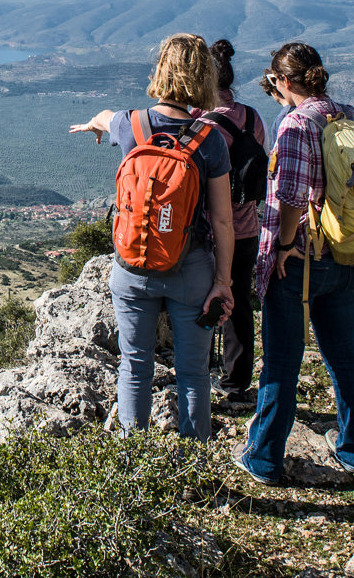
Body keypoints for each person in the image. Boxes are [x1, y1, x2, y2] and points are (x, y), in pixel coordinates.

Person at [70, 33, 234, 442]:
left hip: (132, 267)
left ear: (161, 70)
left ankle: (133, 467)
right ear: (204, 78)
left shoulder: (132, 124)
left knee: (135, 364)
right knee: (193, 373)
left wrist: (94, 122)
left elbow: (107, 116)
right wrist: (224, 283)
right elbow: (223, 221)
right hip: (191, 268)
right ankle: (192, 469)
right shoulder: (210, 139)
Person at [233, 41, 354, 484]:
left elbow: (292, 197)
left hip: (301, 260)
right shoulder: (350, 114)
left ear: (285, 81)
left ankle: (264, 458)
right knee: (343, 354)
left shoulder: (295, 125)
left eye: (275, 81)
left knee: (281, 359)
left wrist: (282, 247)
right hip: (348, 253)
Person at [193, 39, 266, 402]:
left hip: (212, 231)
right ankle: (237, 384)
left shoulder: (203, 129)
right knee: (239, 305)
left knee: (203, 302)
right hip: (249, 228)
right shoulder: (253, 117)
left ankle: (199, 374)